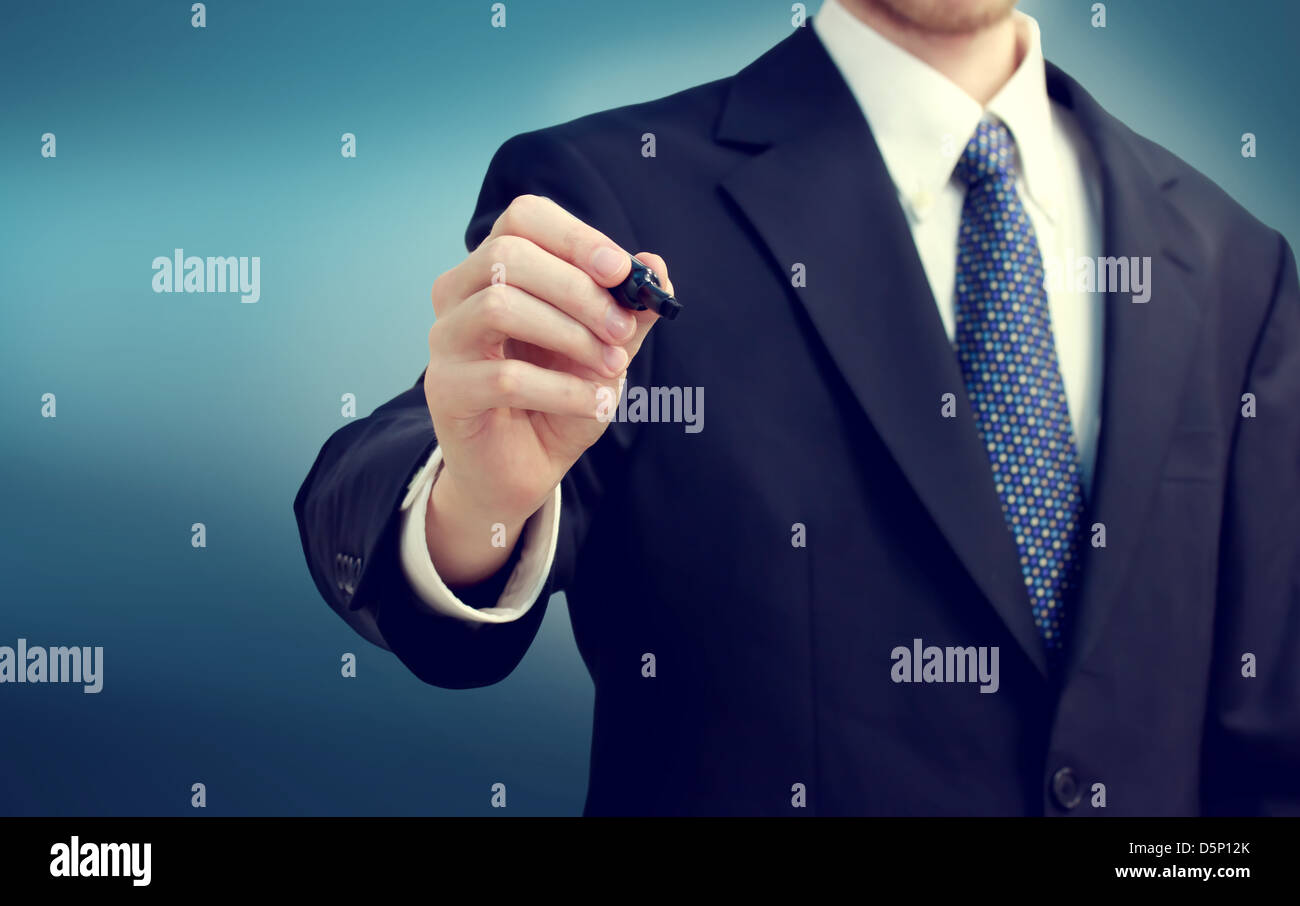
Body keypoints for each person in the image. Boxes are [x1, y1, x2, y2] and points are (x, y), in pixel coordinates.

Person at [294, 0, 1300, 815]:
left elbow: (1267, 745)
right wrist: (478, 500)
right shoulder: (617, 193)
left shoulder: (1234, 260)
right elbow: (379, 481)